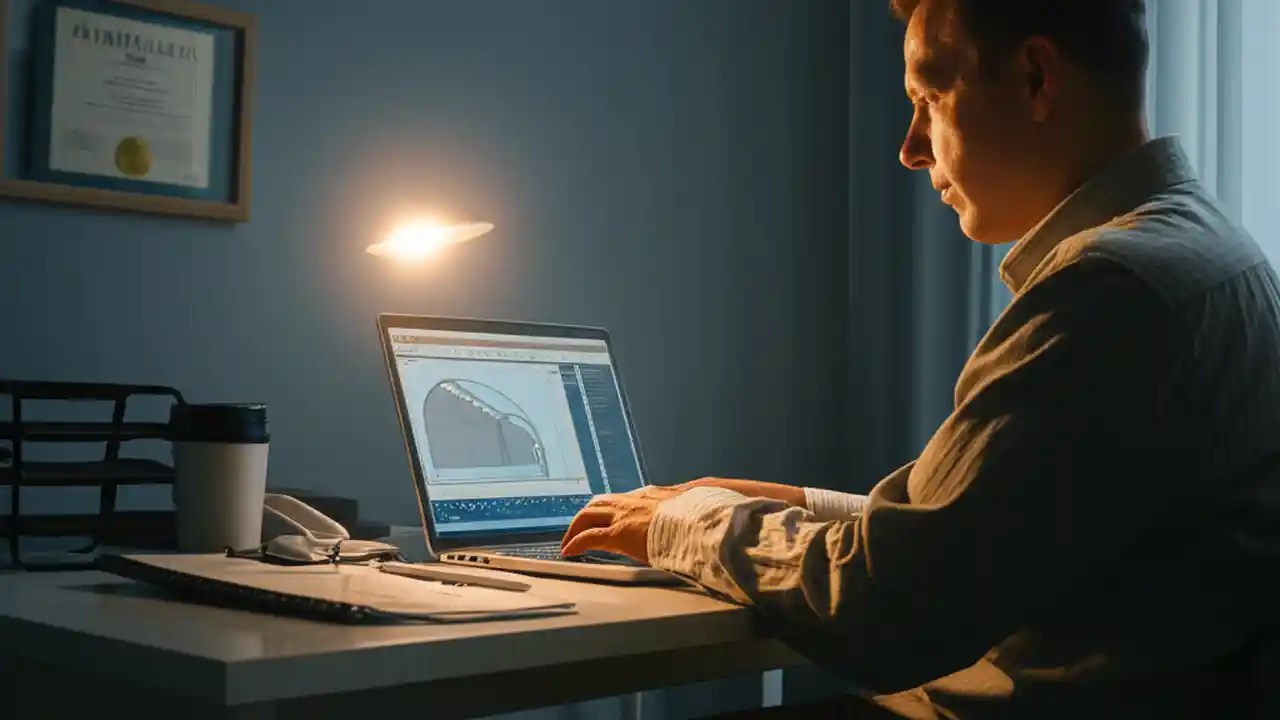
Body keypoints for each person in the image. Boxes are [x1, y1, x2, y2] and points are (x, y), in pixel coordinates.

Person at [561, 0, 1280, 718]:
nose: (910, 147)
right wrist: (793, 506)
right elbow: (1002, 530)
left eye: (928, 98)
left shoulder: (1106, 290)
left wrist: (686, 524)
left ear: (1035, 78)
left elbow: (887, 610)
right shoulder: (1218, 257)